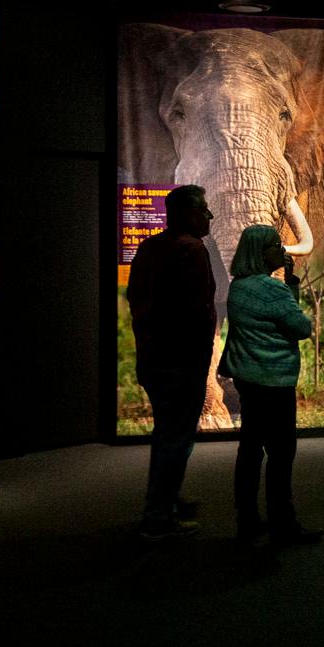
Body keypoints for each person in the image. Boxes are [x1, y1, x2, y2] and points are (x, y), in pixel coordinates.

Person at [220, 224, 322, 547]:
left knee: (250, 450)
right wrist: (289, 285)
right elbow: (301, 327)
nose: (282, 249)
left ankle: (247, 520)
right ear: (260, 253)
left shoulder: (238, 288)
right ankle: (283, 524)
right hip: (275, 382)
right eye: (276, 245)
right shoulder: (273, 290)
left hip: (247, 380)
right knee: (281, 452)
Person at [126, 183, 216, 540]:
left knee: (167, 435)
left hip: (153, 359)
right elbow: (197, 310)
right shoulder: (191, 250)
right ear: (188, 214)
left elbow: (135, 298)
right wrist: (201, 355)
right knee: (175, 439)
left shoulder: (149, 247)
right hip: (182, 363)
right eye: (203, 210)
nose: (209, 216)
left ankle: (166, 499)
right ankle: (158, 518)